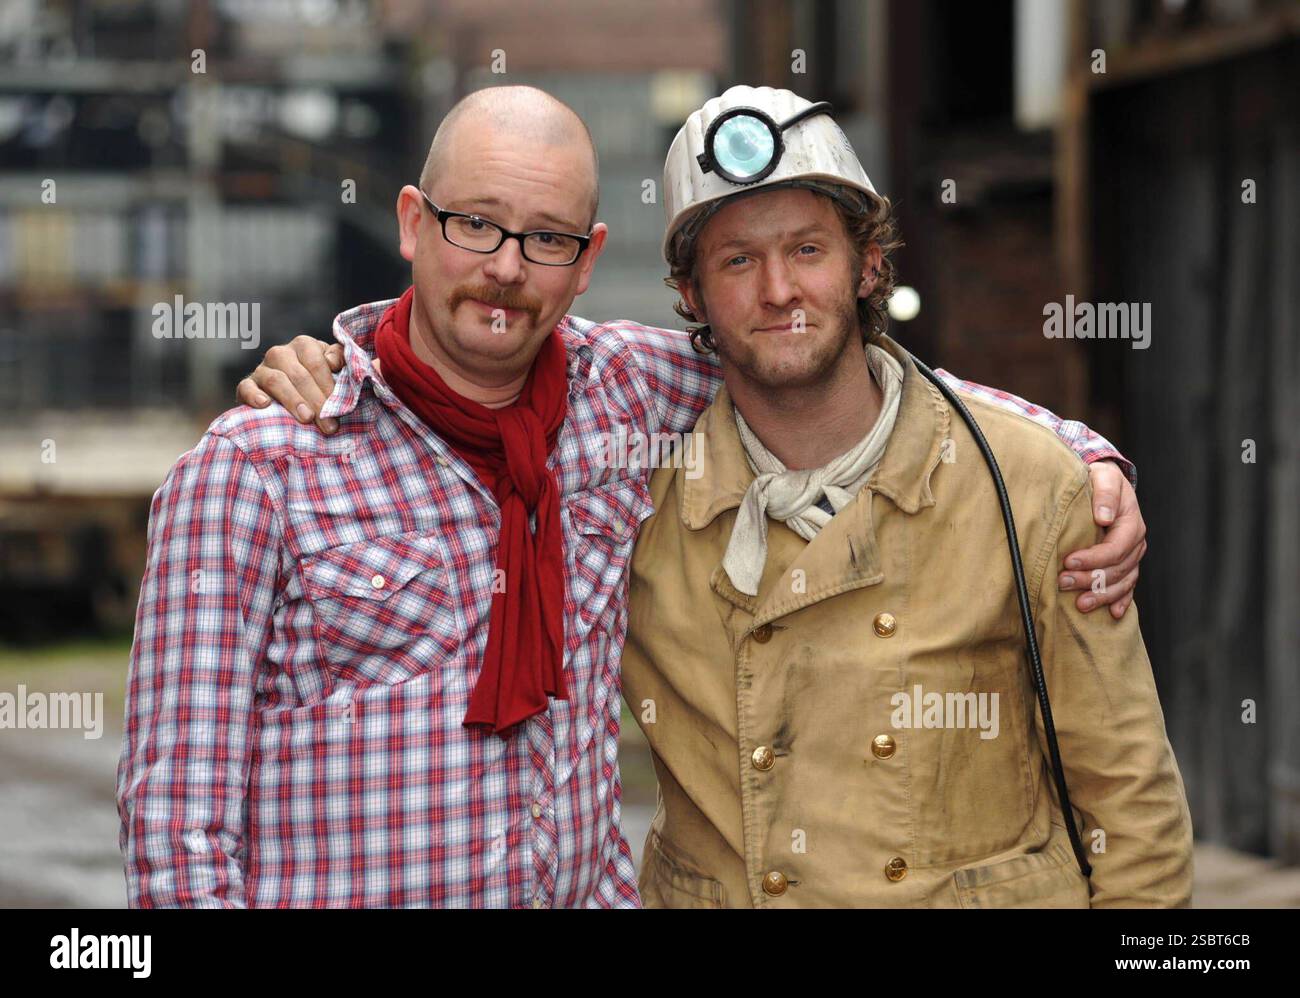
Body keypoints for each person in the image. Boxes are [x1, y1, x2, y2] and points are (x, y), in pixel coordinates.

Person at [137, 84, 1143, 908]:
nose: (503, 268)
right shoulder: (259, 466)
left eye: (545, 239)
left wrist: (1082, 454)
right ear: (411, 221)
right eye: (473, 223)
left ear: (587, 260)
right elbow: (177, 826)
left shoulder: (629, 396)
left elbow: (848, 374)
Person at [621, 86, 1192, 907]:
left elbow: (1130, 798)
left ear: (870, 264)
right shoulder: (630, 503)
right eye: (738, 260)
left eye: (809, 250)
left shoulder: (1028, 487)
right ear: (691, 296)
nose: (779, 289)